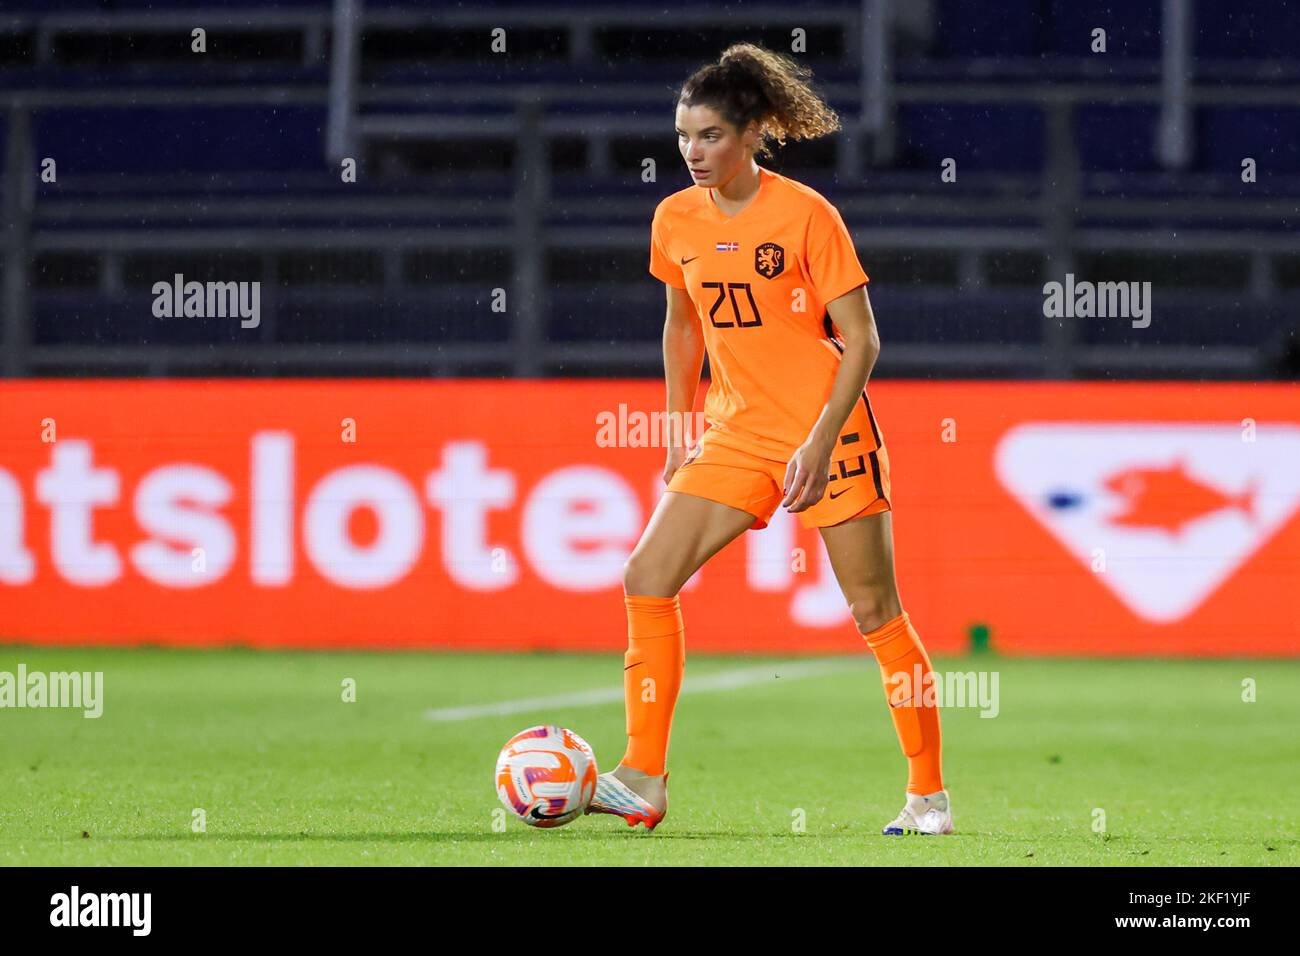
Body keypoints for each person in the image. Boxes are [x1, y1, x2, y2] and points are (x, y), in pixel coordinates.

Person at [586, 43, 951, 837]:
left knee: (874, 609)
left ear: (753, 134)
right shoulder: (673, 217)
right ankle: (643, 776)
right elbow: (682, 327)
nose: (692, 151)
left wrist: (820, 444)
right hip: (737, 430)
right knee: (647, 576)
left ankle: (928, 797)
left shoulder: (806, 214)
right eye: (684, 136)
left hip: (829, 429)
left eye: (711, 135)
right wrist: (682, 430)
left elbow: (862, 339)